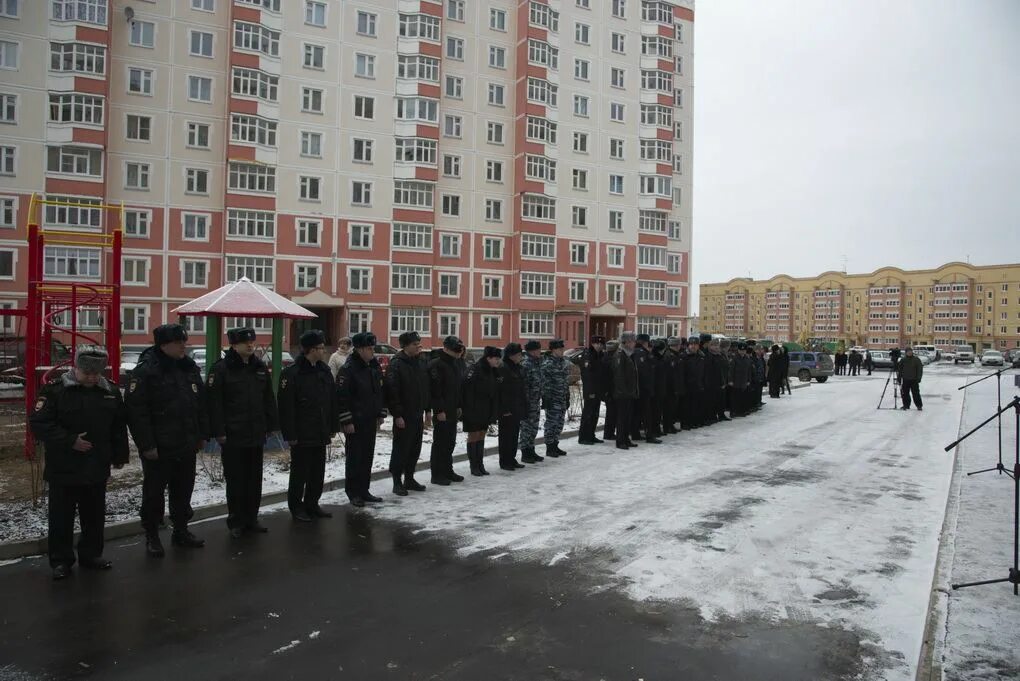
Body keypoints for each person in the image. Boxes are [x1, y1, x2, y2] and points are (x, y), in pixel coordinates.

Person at [30, 346, 129, 580]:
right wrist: (70, 441)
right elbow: (39, 423)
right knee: (61, 517)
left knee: (94, 515)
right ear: (76, 368)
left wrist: (119, 456)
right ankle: (61, 561)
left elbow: (118, 427)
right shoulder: (56, 391)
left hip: (96, 465)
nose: (92, 378)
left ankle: (91, 555)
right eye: (87, 373)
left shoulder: (110, 392)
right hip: (63, 466)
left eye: (96, 374)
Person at [126, 323, 208, 557]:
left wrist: (201, 434)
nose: (184, 345)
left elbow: (200, 404)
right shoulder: (146, 371)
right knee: (154, 493)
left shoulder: (188, 368)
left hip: (186, 441)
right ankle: (152, 535)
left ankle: (181, 530)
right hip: (159, 447)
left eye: (184, 341)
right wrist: (147, 445)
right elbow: (136, 412)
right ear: (163, 345)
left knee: (183, 489)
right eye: (178, 342)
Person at [207, 327, 278, 537]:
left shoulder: (258, 367)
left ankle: (251, 518)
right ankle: (236, 521)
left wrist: (272, 425)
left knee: (254, 479)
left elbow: (268, 399)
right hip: (233, 434)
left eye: (252, 341)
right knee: (236, 480)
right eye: (245, 342)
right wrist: (219, 431)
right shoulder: (221, 369)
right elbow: (214, 403)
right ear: (233, 345)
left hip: (256, 433)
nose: (250, 345)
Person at [278, 329, 336, 521]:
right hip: (302, 432)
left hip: (319, 430)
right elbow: (286, 407)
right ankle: (297, 507)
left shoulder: (324, 370)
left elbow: (330, 401)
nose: (324, 351)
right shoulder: (292, 373)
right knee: (300, 472)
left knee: (317, 472)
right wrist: (290, 434)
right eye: (320, 348)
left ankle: (312, 504)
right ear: (311, 350)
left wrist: (332, 426)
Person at [336, 332, 388, 507]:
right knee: (355, 457)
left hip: (369, 419)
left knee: (367, 456)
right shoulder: (348, 369)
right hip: (355, 421)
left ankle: (364, 490)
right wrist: (346, 421)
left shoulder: (373, 367)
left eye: (373, 348)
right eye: (369, 348)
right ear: (358, 349)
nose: (372, 352)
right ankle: (353, 492)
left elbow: (379, 391)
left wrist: (380, 413)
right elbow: (342, 397)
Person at [384, 331, 431, 496]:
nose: (418, 346)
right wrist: (397, 414)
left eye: (419, 343)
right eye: (414, 344)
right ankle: (397, 481)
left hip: (417, 412)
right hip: (404, 414)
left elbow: (425, 387)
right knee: (401, 448)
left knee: (414, 448)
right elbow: (392, 390)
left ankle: (409, 478)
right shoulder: (397, 364)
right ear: (405, 346)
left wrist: (427, 410)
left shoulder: (420, 362)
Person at [428, 335, 466, 485]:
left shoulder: (455, 364)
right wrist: (439, 410)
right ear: (446, 349)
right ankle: (437, 474)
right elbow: (436, 390)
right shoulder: (437, 364)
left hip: (452, 408)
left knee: (450, 442)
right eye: (456, 350)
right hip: (442, 411)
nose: (458, 352)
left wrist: (458, 405)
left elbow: (457, 388)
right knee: (440, 443)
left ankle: (447, 470)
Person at [462, 346, 502, 476]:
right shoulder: (475, 369)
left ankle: (480, 464)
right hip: (473, 409)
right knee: (473, 435)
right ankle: (474, 465)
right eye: (496, 358)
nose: (498, 361)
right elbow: (466, 389)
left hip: (486, 408)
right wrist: (468, 409)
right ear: (488, 358)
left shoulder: (492, 370)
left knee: (481, 434)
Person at [497, 343, 527, 471]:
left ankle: (512, 458)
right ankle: (505, 461)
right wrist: (505, 409)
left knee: (514, 435)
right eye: (519, 354)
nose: (521, 356)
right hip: (507, 409)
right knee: (506, 436)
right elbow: (501, 391)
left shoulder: (517, 367)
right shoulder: (503, 368)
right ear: (512, 355)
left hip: (516, 406)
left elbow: (520, 389)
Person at [572, 335, 607, 445]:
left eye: (601, 344)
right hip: (590, 389)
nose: (599, 346)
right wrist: (591, 391)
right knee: (588, 413)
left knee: (595, 413)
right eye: (597, 344)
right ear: (593, 344)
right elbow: (587, 375)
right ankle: (583, 437)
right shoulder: (588, 355)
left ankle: (591, 435)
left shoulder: (600, 355)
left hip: (598, 389)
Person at [541, 339, 571, 457]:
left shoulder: (563, 362)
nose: (562, 351)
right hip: (552, 398)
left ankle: (555, 444)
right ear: (553, 350)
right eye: (559, 349)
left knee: (559, 423)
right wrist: (546, 398)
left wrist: (567, 396)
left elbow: (565, 381)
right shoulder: (547, 364)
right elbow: (545, 383)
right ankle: (549, 447)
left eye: (562, 349)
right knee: (551, 423)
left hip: (562, 397)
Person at [611, 332, 640, 449]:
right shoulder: (620, 355)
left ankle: (626, 438)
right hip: (622, 393)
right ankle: (620, 441)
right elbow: (619, 376)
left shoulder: (629, 354)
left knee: (628, 417)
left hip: (629, 392)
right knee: (622, 418)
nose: (634, 343)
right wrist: (624, 391)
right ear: (626, 342)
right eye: (632, 341)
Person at [518, 340, 546, 463]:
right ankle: (525, 452)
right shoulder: (526, 364)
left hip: (536, 400)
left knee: (534, 427)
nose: (540, 351)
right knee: (526, 428)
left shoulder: (538, 362)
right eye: (538, 349)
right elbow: (524, 385)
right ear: (532, 351)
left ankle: (531, 450)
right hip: (528, 402)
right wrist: (526, 401)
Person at [631, 334, 660, 443]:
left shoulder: (634, 352)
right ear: (645, 342)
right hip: (644, 389)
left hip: (638, 388)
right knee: (647, 414)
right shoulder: (642, 353)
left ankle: (635, 434)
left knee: (637, 413)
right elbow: (645, 372)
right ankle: (649, 435)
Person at [682, 336, 706, 429]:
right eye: (691, 344)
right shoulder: (684, 356)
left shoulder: (702, 356)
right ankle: (686, 423)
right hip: (687, 384)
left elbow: (704, 371)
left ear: (698, 346)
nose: (693, 346)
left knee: (696, 404)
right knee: (686, 406)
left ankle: (695, 421)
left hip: (698, 384)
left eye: (695, 344)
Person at [602, 339, 619, 441]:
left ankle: (609, 433)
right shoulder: (612, 359)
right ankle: (609, 433)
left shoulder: (605, 358)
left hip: (608, 390)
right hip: (612, 389)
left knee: (611, 413)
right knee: (612, 413)